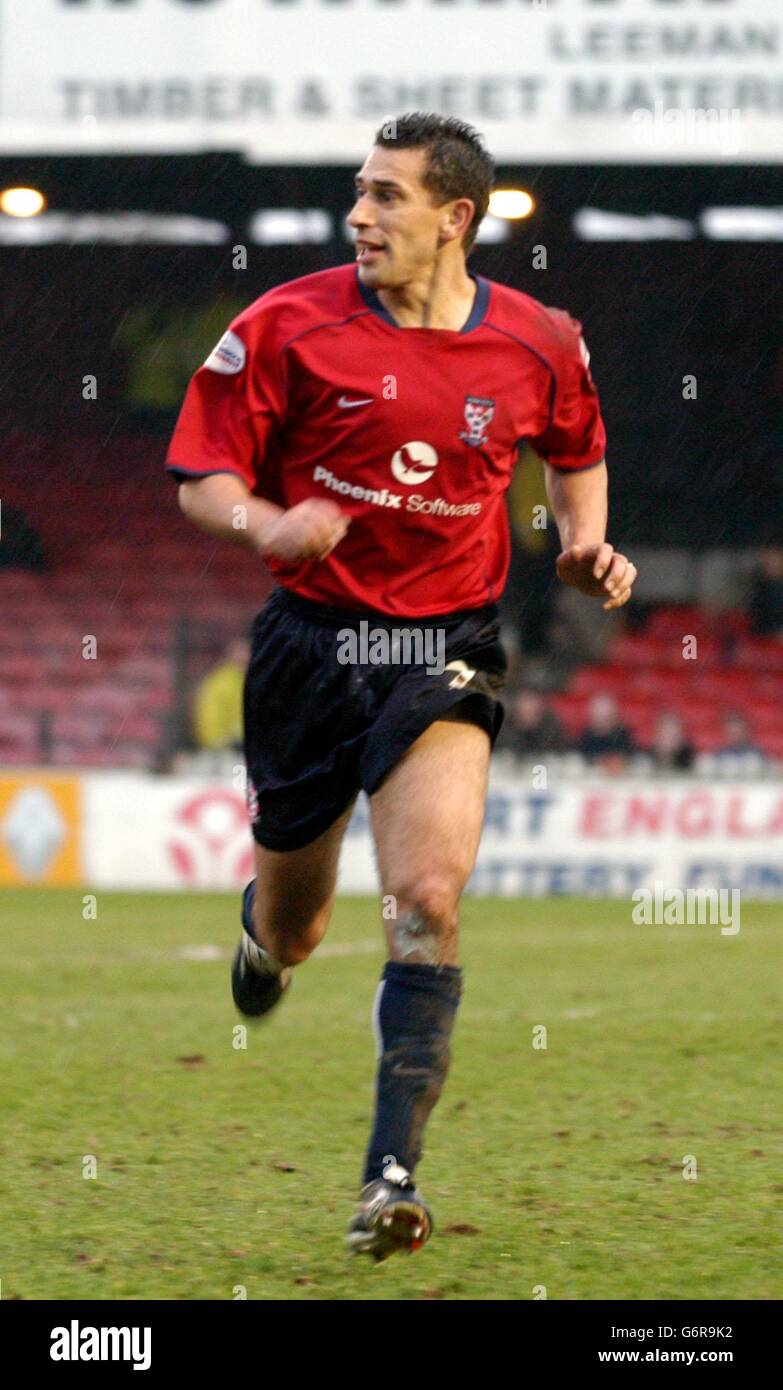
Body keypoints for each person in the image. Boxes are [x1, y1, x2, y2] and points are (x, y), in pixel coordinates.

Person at [166, 113, 637, 1262]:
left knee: (424, 900)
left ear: (455, 217)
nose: (359, 216)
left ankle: (389, 1180)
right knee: (301, 922)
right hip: (310, 650)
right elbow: (198, 478)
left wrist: (584, 541)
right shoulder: (285, 323)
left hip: (445, 649)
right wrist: (268, 520)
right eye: (358, 193)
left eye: (386, 197)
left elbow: (576, 445)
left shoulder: (538, 341)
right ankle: (264, 941)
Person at [192, 638, 250, 752]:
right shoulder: (218, 684)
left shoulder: (256, 680)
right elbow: (210, 722)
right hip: (228, 750)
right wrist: (220, 743)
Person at [495, 688, 568, 758]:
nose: (528, 708)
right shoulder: (503, 729)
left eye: (532, 703)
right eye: (525, 702)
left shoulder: (551, 729)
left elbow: (559, 754)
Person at [577, 693, 637, 765]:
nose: (603, 721)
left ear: (614, 716)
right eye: (599, 717)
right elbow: (581, 758)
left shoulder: (623, 734)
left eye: (607, 717)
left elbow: (629, 756)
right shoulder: (586, 735)